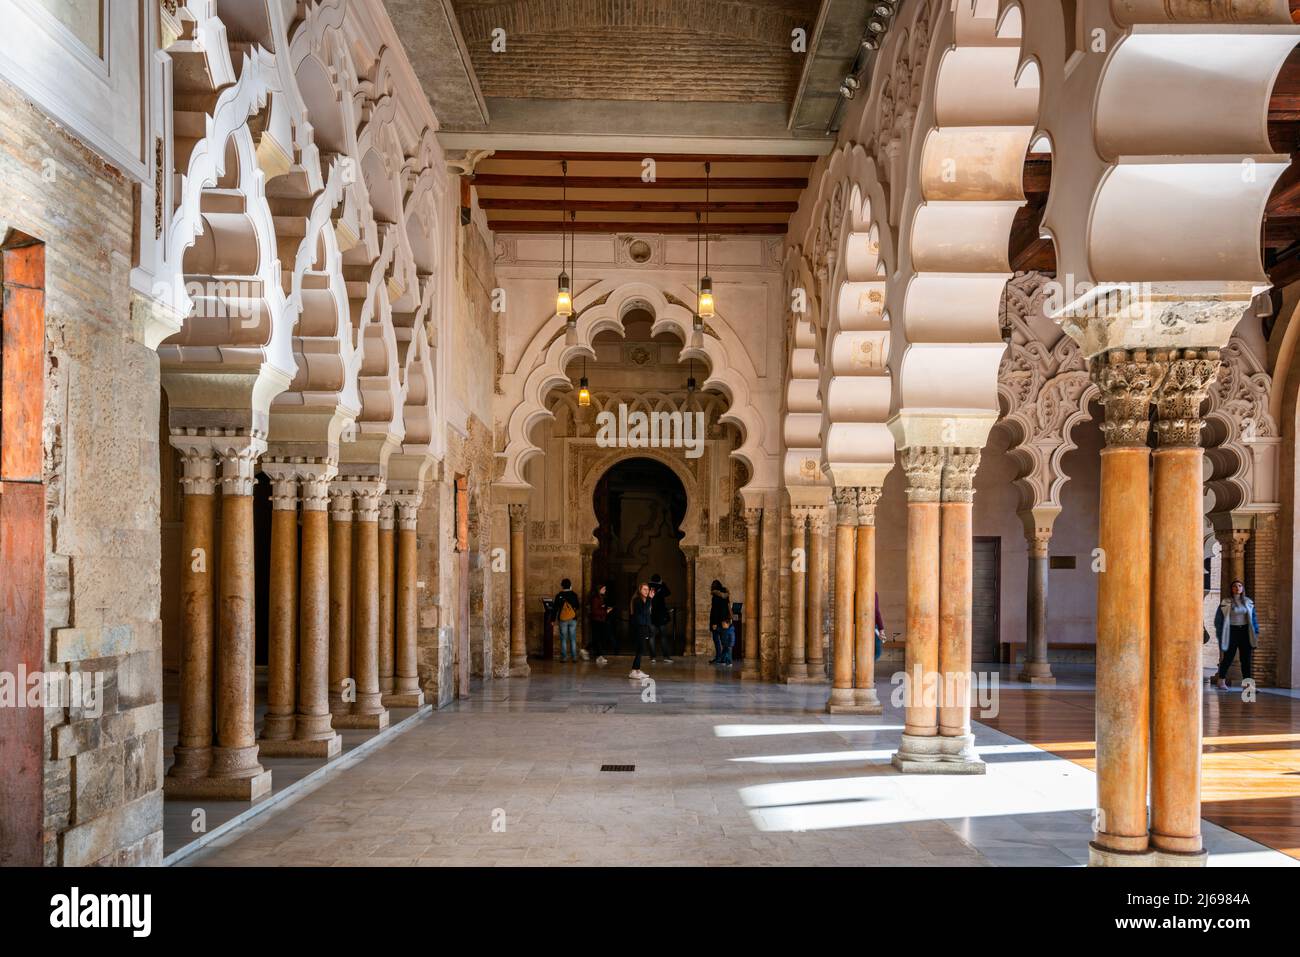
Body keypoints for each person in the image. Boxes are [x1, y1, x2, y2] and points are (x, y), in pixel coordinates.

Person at [1213, 579, 1260, 689]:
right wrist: (1220, 633)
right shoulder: (1226, 602)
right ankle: (1221, 681)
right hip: (1231, 632)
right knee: (1228, 658)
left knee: (1246, 659)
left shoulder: (1248, 602)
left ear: (1242, 588)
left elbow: (1253, 619)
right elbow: (1218, 619)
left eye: (1239, 586)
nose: (1237, 588)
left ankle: (1248, 684)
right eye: (1235, 586)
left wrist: (1256, 632)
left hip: (1245, 632)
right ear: (1231, 589)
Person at [628, 583, 653, 680]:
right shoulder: (637, 600)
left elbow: (647, 614)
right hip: (640, 627)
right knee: (640, 649)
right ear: (640, 590)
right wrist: (650, 599)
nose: (647, 591)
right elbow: (643, 611)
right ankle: (634, 670)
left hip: (644, 626)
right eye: (644, 589)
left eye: (648, 589)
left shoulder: (644, 600)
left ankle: (636, 670)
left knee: (641, 649)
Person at [552, 578, 580, 663]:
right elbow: (578, 606)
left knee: (563, 638)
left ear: (562, 586)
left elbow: (555, 608)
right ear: (570, 585)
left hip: (562, 619)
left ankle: (564, 657)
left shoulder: (559, 595)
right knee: (573, 638)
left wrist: (552, 620)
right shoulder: (574, 595)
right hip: (573, 619)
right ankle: (574, 657)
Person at [648, 573, 673, 663]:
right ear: (660, 580)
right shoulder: (662, 587)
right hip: (661, 615)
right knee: (663, 637)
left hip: (651, 615)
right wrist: (663, 583)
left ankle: (653, 657)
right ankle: (666, 657)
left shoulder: (648, 586)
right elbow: (668, 593)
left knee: (652, 636)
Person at [588, 582, 612, 666]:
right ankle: (598, 655)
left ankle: (597, 654)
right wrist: (605, 611)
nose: (605, 590)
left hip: (601, 620)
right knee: (598, 638)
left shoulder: (601, 597)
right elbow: (595, 611)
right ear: (599, 590)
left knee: (600, 638)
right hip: (597, 620)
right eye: (603, 589)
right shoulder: (595, 598)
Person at [708, 580, 730, 664]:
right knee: (724, 641)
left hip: (717, 622)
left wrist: (714, 623)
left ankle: (718, 658)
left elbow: (715, 611)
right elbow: (726, 608)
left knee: (717, 641)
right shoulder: (726, 596)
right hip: (724, 621)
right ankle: (724, 659)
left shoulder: (716, 597)